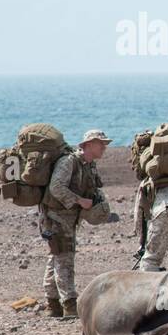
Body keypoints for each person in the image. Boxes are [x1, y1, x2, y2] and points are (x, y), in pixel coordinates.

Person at [39, 129, 112, 318]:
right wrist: (79, 200)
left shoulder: (89, 166)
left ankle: (52, 304)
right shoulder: (69, 162)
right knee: (64, 257)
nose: (104, 147)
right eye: (100, 143)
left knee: (56, 256)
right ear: (87, 145)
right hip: (56, 217)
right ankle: (70, 304)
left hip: (68, 218)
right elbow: (56, 187)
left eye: (105, 143)